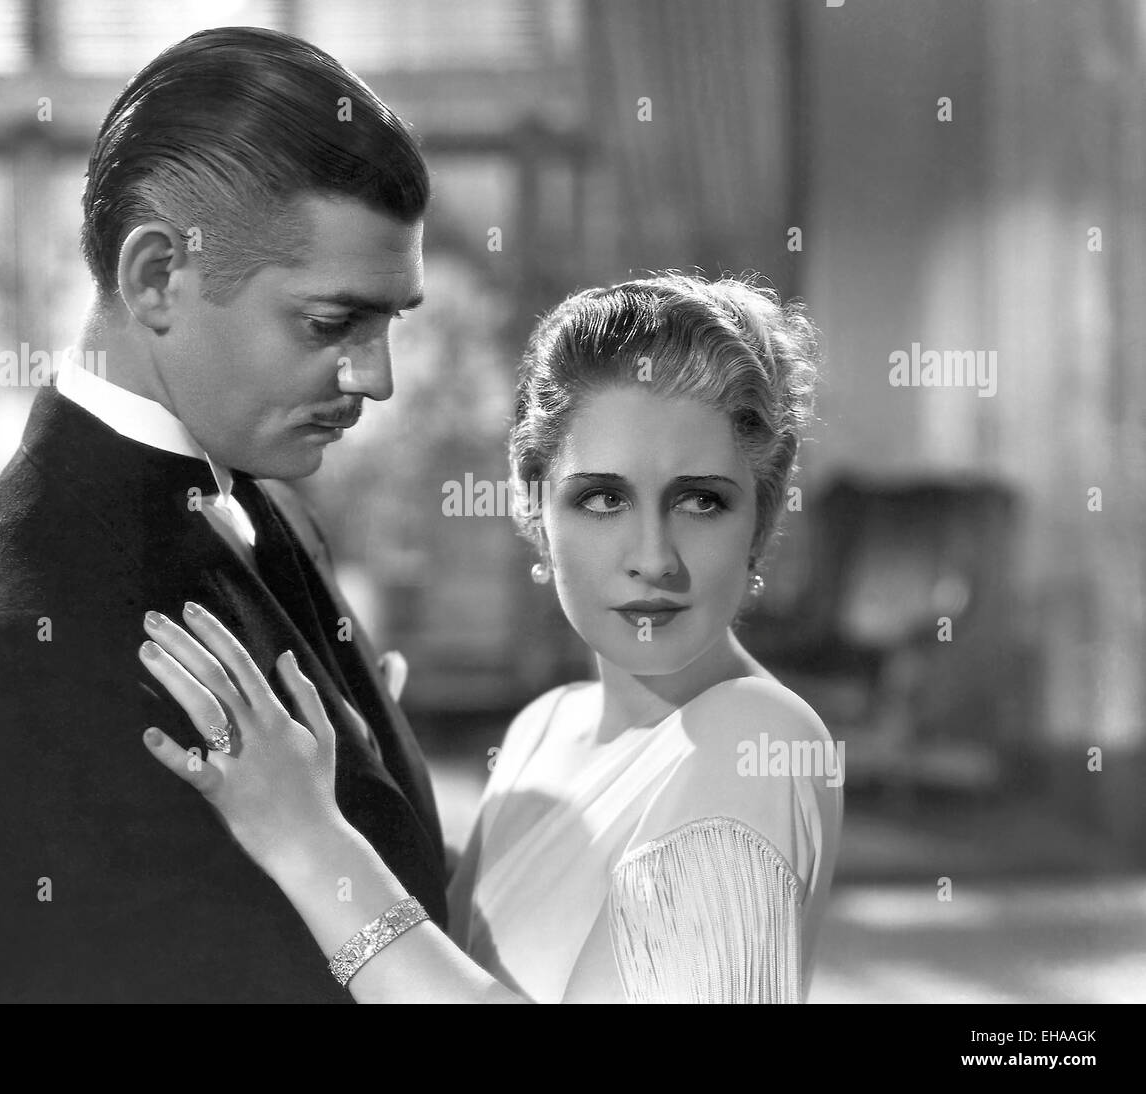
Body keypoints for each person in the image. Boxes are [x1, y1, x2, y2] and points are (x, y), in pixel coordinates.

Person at [0, 27, 445, 1002]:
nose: (377, 378)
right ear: (156, 276)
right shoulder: (21, 653)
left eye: (389, 320)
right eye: (332, 323)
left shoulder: (262, 498)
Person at [138, 272, 844, 1003]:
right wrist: (355, 770)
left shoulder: (757, 736)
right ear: (537, 513)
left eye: (702, 501)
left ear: (758, 521)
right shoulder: (545, 729)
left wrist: (310, 843)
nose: (654, 557)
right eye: (603, 498)